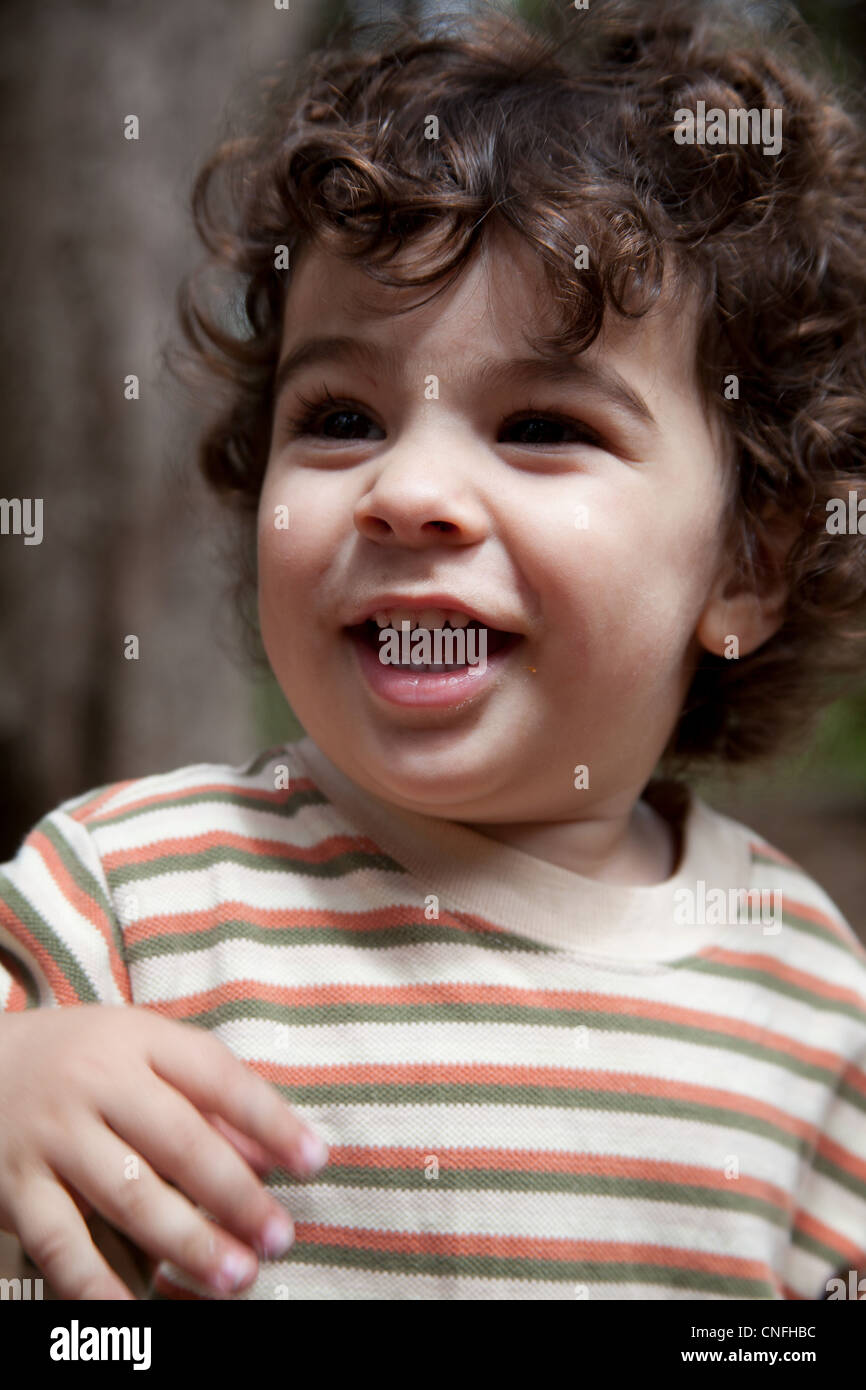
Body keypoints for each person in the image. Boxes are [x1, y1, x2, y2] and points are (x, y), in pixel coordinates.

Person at [1, 0, 864, 1301]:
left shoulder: (808, 1003)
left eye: (540, 426)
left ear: (745, 563)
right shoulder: (123, 895)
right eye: (341, 415)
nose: (406, 490)